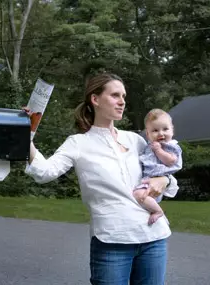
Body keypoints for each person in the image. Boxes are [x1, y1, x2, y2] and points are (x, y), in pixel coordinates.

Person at [22, 73, 179, 285]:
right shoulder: (78, 143)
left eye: (123, 95)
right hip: (112, 242)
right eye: (115, 95)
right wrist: (25, 136)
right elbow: (44, 172)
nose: (122, 101)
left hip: (154, 238)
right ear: (95, 99)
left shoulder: (136, 140)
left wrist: (165, 181)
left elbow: (166, 177)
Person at [133, 108, 182, 225]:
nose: (161, 133)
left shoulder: (170, 146)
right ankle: (153, 211)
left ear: (172, 130)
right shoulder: (149, 146)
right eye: (155, 130)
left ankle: (158, 212)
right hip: (149, 179)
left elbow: (171, 161)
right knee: (141, 198)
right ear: (148, 134)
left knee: (138, 194)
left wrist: (159, 151)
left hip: (157, 178)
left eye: (165, 129)